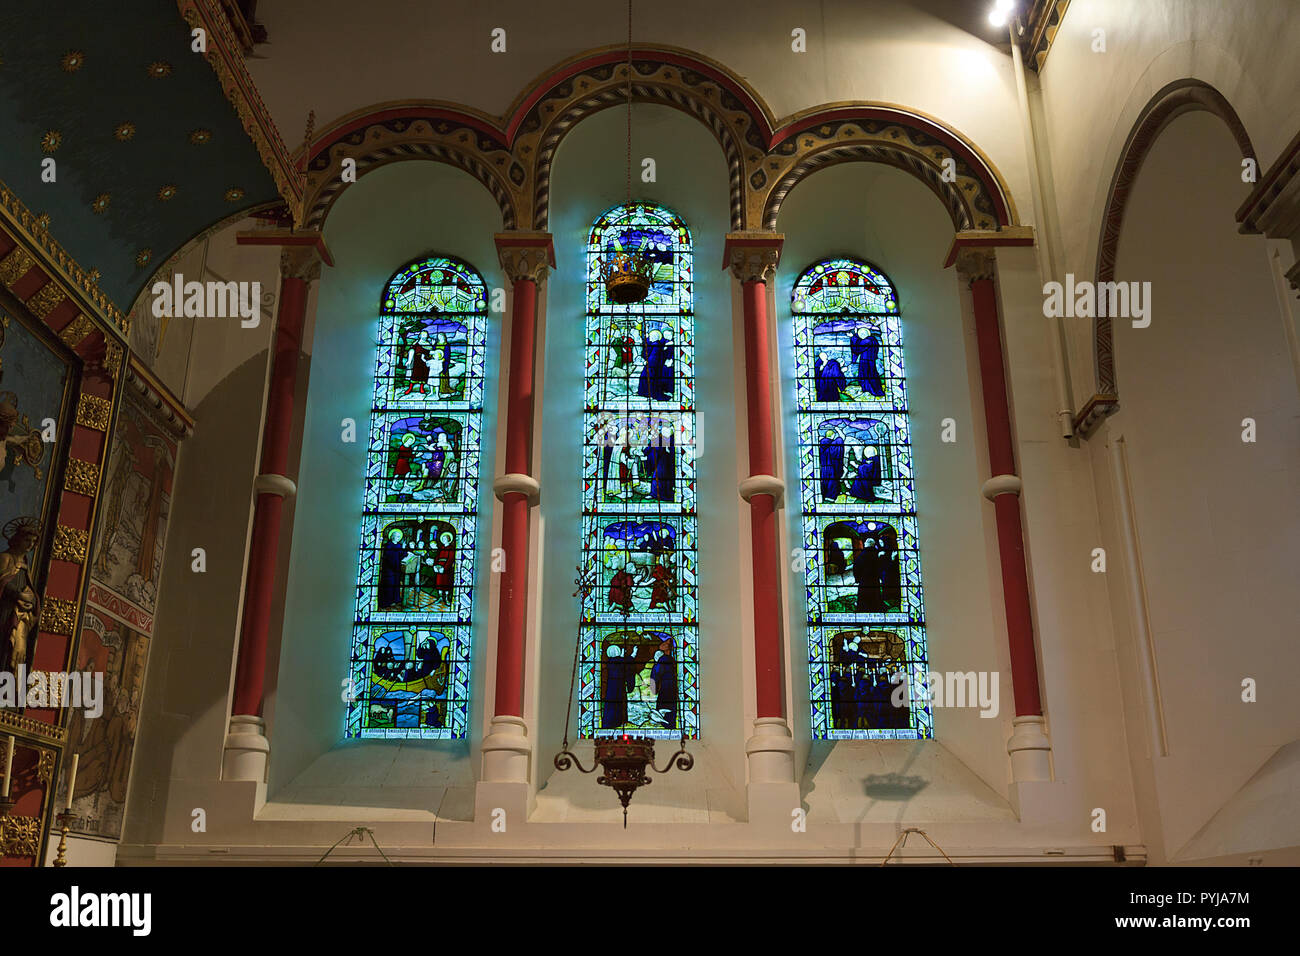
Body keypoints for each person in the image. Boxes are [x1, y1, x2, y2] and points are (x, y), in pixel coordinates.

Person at [602, 644, 638, 729]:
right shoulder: (619, 662)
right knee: (618, 704)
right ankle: (617, 722)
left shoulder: (610, 662)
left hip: (611, 687)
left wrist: (622, 654)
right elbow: (626, 662)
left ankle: (609, 721)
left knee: (610, 704)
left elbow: (620, 662)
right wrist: (634, 653)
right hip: (618, 686)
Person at [852, 531, 886, 612]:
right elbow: (880, 567)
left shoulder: (862, 555)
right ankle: (875, 606)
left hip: (864, 579)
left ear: (865, 545)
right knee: (875, 594)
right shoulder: (877, 554)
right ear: (874, 545)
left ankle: (863, 607)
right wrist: (880, 576)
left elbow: (856, 567)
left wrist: (857, 578)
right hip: (874, 579)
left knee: (864, 594)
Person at [649, 638, 677, 729]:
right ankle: (670, 722)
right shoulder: (671, 659)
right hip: (672, 686)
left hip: (666, 686)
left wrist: (654, 688)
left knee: (665, 704)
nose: (662, 645)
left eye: (665, 644)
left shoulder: (663, 659)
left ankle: (666, 723)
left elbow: (656, 673)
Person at [378, 527, 407, 609]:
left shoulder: (399, 545)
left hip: (396, 568)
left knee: (396, 584)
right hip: (389, 569)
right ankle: (387, 602)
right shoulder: (388, 545)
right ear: (392, 536)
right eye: (396, 536)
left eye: (399, 536)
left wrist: (403, 548)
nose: (397, 538)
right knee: (389, 584)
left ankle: (395, 600)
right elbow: (388, 556)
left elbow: (403, 555)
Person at [818, 428, 845, 501]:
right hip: (831, 467)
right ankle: (830, 497)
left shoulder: (820, 445)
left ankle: (823, 495)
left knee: (824, 481)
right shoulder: (834, 444)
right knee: (832, 482)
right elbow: (841, 439)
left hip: (823, 467)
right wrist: (838, 430)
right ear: (832, 435)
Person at [403, 329, 431, 396]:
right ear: (420, 335)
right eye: (423, 335)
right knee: (414, 375)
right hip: (417, 361)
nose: (424, 336)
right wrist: (409, 360)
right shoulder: (416, 343)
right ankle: (410, 388)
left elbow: (430, 354)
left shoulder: (428, 344)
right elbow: (412, 350)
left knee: (423, 375)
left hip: (424, 362)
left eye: (426, 335)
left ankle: (421, 388)